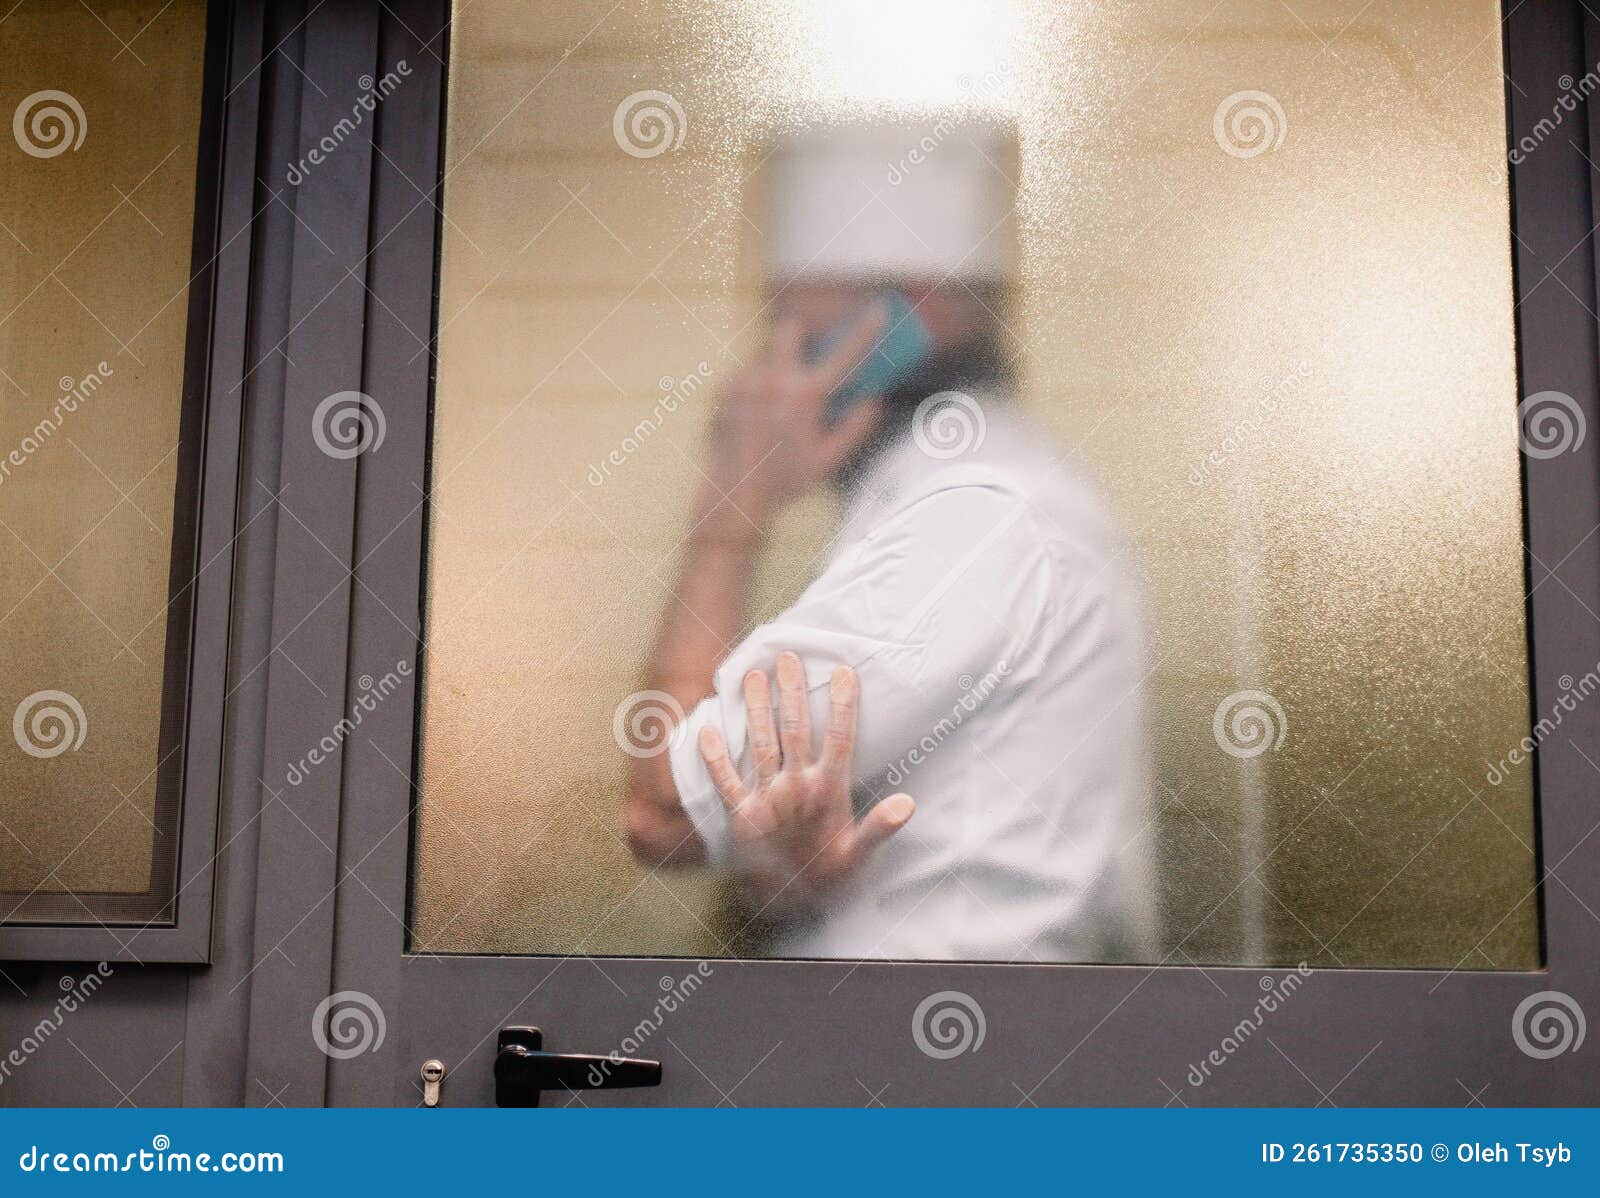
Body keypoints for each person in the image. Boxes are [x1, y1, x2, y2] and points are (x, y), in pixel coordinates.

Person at [625, 119, 1156, 962]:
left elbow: (662, 812)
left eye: (792, 302)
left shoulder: (975, 514)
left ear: (906, 304)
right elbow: (810, 846)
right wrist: (783, 871)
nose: (772, 340)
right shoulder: (952, 490)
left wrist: (731, 505)